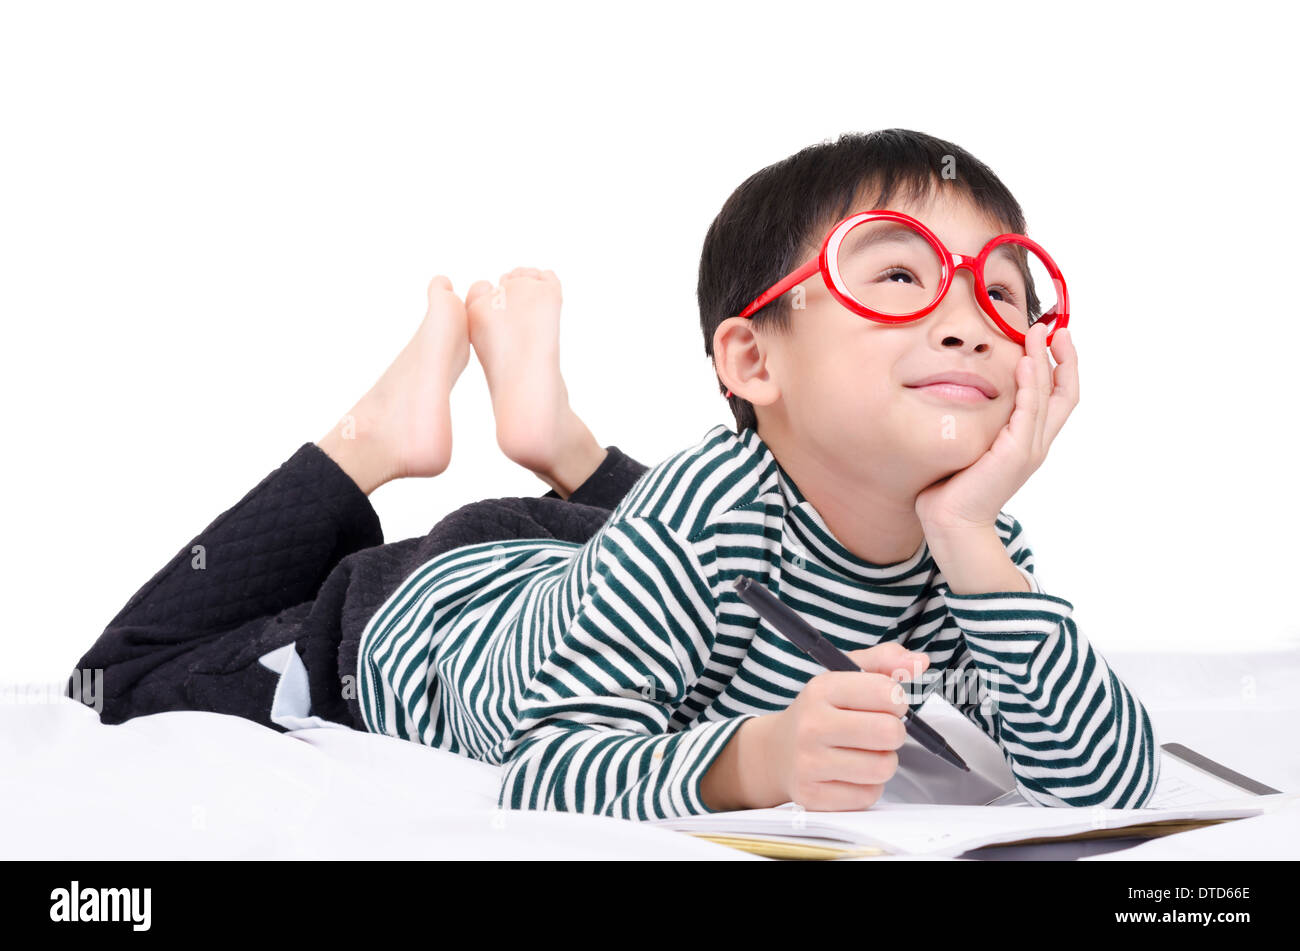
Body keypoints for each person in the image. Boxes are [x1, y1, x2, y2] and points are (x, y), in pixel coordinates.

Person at [68, 128, 1161, 820]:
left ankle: (563, 442)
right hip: (414, 619)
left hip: (601, 553)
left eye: (1004, 294)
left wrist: (972, 533)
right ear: (751, 360)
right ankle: (377, 435)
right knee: (117, 679)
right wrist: (756, 760)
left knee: (721, 546)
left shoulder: (982, 549)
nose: (969, 324)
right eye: (897, 277)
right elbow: (542, 765)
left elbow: (1104, 785)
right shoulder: (706, 507)